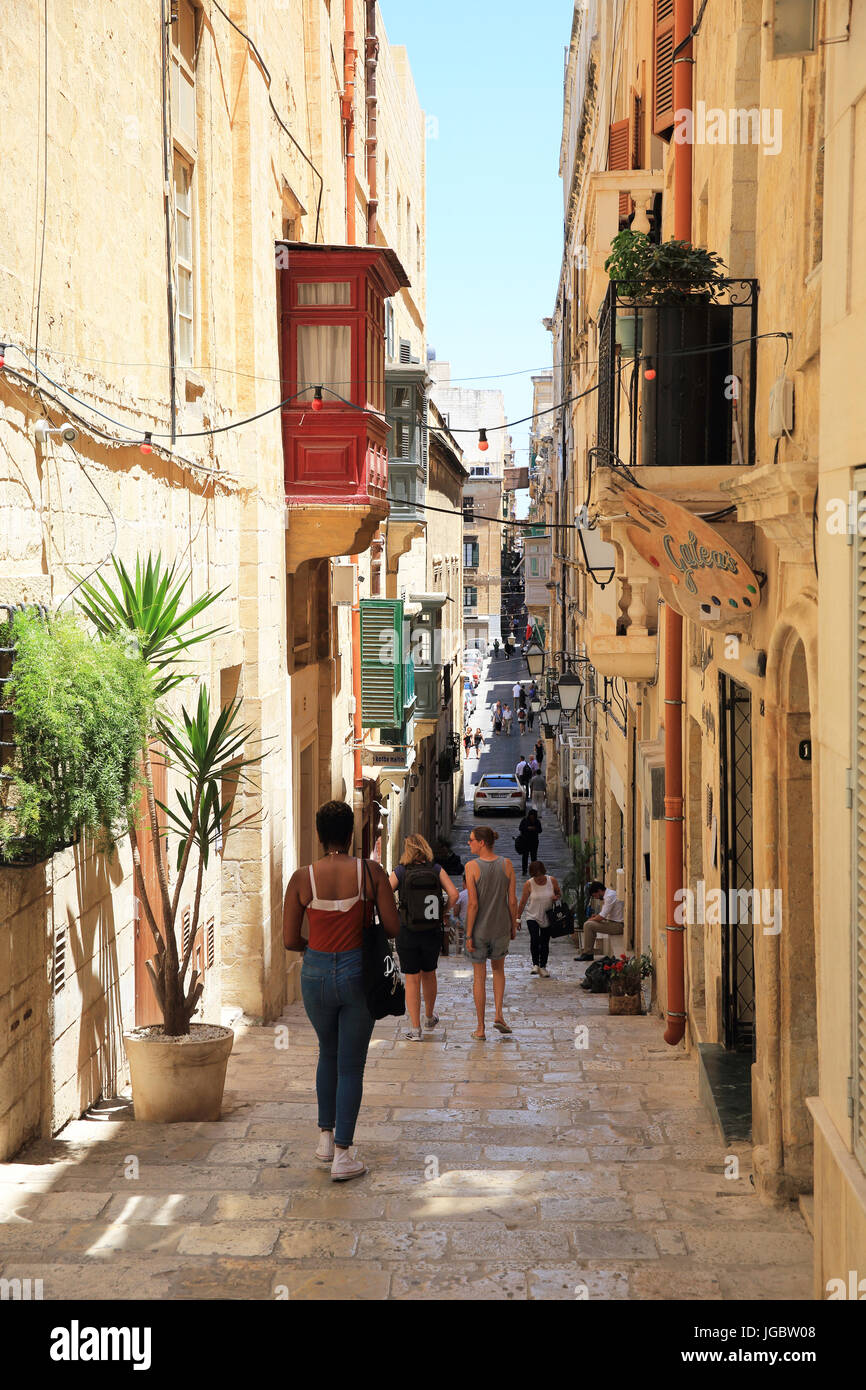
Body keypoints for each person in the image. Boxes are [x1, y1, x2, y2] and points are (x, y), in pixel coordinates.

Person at [282, 800, 400, 1183]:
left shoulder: (302, 878)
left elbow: (288, 939)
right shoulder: (372, 873)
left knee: (326, 1053)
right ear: (351, 833)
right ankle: (344, 1155)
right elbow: (394, 927)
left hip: (314, 973)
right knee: (352, 1064)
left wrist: (315, 950)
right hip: (356, 973)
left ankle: (325, 1139)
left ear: (318, 835)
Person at [389, 835, 458, 1040]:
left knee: (411, 978)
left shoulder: (401, 871)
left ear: (407, 850)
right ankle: (429, 1017)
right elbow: (454, 894)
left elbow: (383, 891)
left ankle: (415, 1029)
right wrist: (443, 912)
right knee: (429, 973)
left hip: (407, 930)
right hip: (431, 930)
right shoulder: (436, 870)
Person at [464, 826, 519, 1038]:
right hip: (501, 927)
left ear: (482, 843)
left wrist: (468, 934)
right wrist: (513, 925)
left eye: (471, 840)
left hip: (479, 930)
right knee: (498, 971)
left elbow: (473, 905)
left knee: (479, 977)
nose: (469, 843)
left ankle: (480, 1028)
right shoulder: (507, 864)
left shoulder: (471, 867)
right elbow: (512, 900)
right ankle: (498, 1014)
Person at [518, 860, 561, 977]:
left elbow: (558, 893)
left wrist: (556, 897)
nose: (539, 879)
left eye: (541, 876)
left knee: (545, 942)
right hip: (532, 915)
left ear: (544, 872)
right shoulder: (529, 884)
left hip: (547, 916)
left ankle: (543, 966)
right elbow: (522, 903)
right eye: (536, 877)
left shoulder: (551, 880)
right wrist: (518, 919)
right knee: (535, 938)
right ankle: (535, 964)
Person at [576, 878, 625, 960]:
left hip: (618, 926)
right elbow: (603, 914)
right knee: (590, 924)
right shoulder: (609, 894)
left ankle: (588, 953)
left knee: (588, 925)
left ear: (599, 891)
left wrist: (591, 919)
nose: (596, 898)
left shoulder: (609, 897)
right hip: (613, 922)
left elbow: (602, 916)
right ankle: (588, 952)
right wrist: (595, 917)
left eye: (595, 895)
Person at [517, 807, 541, 875]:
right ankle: (524, 870)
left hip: (534, 842)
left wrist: (534, 829)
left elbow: (540, 830)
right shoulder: (524, 820)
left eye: (533, 817)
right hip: (525, 841)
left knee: (534, 857)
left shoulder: (537, 821)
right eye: (531, 816)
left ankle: (534, 871)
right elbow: (520, 828)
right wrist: (527, 828)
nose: (532, 818)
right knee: (525, 856)